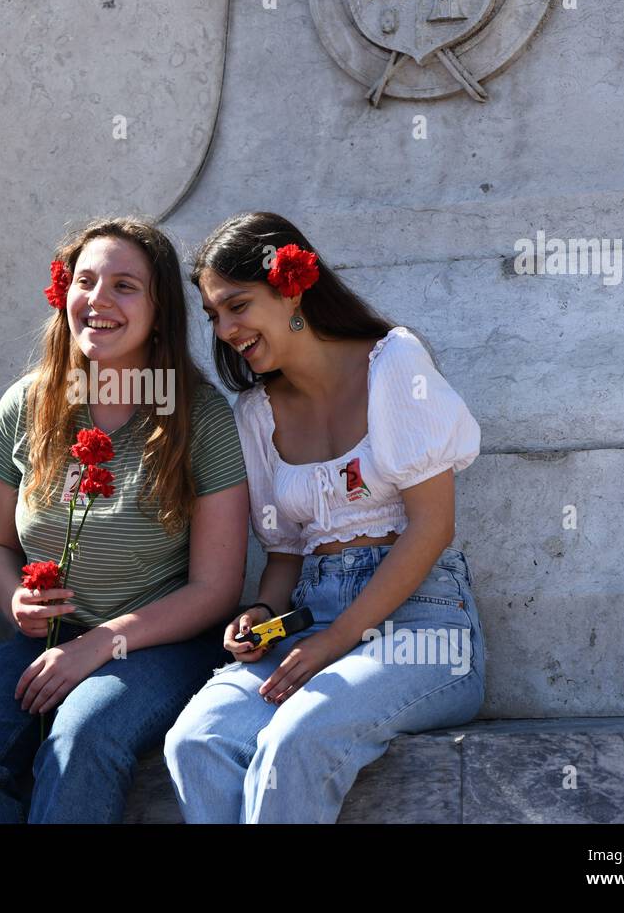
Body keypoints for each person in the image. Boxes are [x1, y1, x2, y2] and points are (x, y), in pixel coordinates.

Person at [0, 215, 250, 823]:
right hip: (45, 644)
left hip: (161, 645)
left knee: (82, 738)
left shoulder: (200, 419)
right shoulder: (29, 404)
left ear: (158, 309)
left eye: (125, 286)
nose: (98, 300)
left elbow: (216, 588)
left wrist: (102, 643)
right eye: (86, 281)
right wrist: (15, 599)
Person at [165, 210, 486, 823]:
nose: (225, 329)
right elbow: (286, 555)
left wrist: (341, 640)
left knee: (297, 740)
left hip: (422, 624)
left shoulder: (393, 363)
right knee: (198, 741)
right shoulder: (257, 413)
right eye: (213, 316)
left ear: (291, 286)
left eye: (237, 306)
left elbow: (432, 527)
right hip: (309, 619)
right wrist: (262, 614)